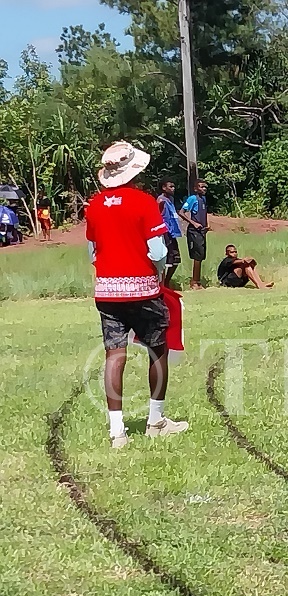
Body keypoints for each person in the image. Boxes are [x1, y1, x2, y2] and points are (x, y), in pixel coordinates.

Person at [85, 140, 189, 448]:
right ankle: (156, 419)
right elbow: (157, 250)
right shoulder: (144, 202)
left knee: (114, 355)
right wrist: (156, 271)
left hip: (106, 291)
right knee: (157, 350)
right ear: (135, 170)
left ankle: (117, 431)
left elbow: (92, 251)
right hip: (143, 289)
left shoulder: (93, 205)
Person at [179, 179, 210, 290]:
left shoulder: (203, 199)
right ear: (195, 188)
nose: (204, 189)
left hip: (202, 231)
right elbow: (181, 212)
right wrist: (194, 223)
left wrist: (207, 225)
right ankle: (194, 282)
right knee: (197, 256)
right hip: (194, 231)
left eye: (205, 187)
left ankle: (197, 280)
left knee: (201, 256)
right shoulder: (192, 199)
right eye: (202, 187)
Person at [156, 179, 182, 285]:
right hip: (165, 233)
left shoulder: (169, 200)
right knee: (167, 258)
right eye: (170, 186)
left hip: (172, 233)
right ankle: (162, 283)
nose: (173, 188)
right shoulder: (161, 200)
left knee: (175, 258)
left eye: (173, 186)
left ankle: (166, 282)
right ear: (164, 188)